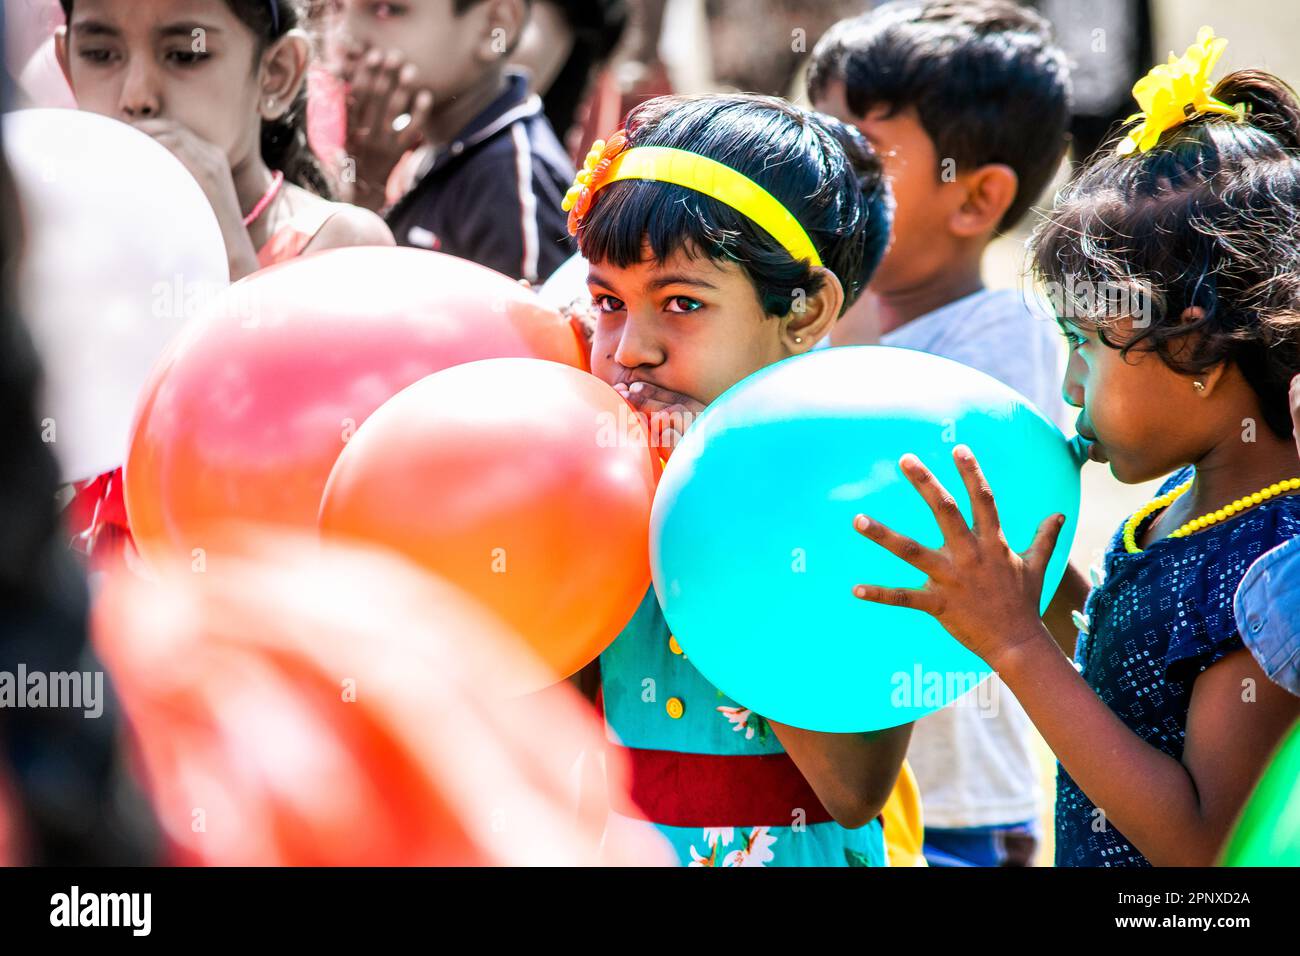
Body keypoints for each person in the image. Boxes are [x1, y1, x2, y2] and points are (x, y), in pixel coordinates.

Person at [845, 29, 1300, 867]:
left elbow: (1204, 849)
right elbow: (1134, 682)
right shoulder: (1186, 510)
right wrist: (1035, 591)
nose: (1071, 386)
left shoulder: (1271, 571)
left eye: (1086, 344)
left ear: (1196, 349)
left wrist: (1016, 643)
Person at [568, 91, 912, 866]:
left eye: (682, 302)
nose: (629, 349)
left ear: (803, 310)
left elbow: (853, 785)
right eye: (607, 302)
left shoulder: (850, 492)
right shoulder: (602, 473)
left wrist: (715, 506)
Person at [808, 0, 1073, 866]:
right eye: (816, 140)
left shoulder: (1000, 331)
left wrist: (822, 322)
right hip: (828, 781)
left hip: (952, 802)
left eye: (858, 156)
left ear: (978, 198)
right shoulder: (831, 319)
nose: (821, 180)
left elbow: (919, 482)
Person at [56, 0, 394, 570]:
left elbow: (314, 492)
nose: (137, 94)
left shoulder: (337, 250)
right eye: (100, 54)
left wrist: (231, 263)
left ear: (276, 74)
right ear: (66, 64)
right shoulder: (57, 251)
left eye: (185, 54)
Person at [331, 0, 575, 283]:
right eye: (336, 8)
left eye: (387, 10)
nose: (345, 41)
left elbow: (526, 323)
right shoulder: (420, 147)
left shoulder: (511, 176)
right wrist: (366, 182)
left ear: (496, 23)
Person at [1233, 372, 1300, 698]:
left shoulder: (1274, 537)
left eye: (1083, 343)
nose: (1070, 393)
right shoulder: (1181, 490)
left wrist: (1047, 663)